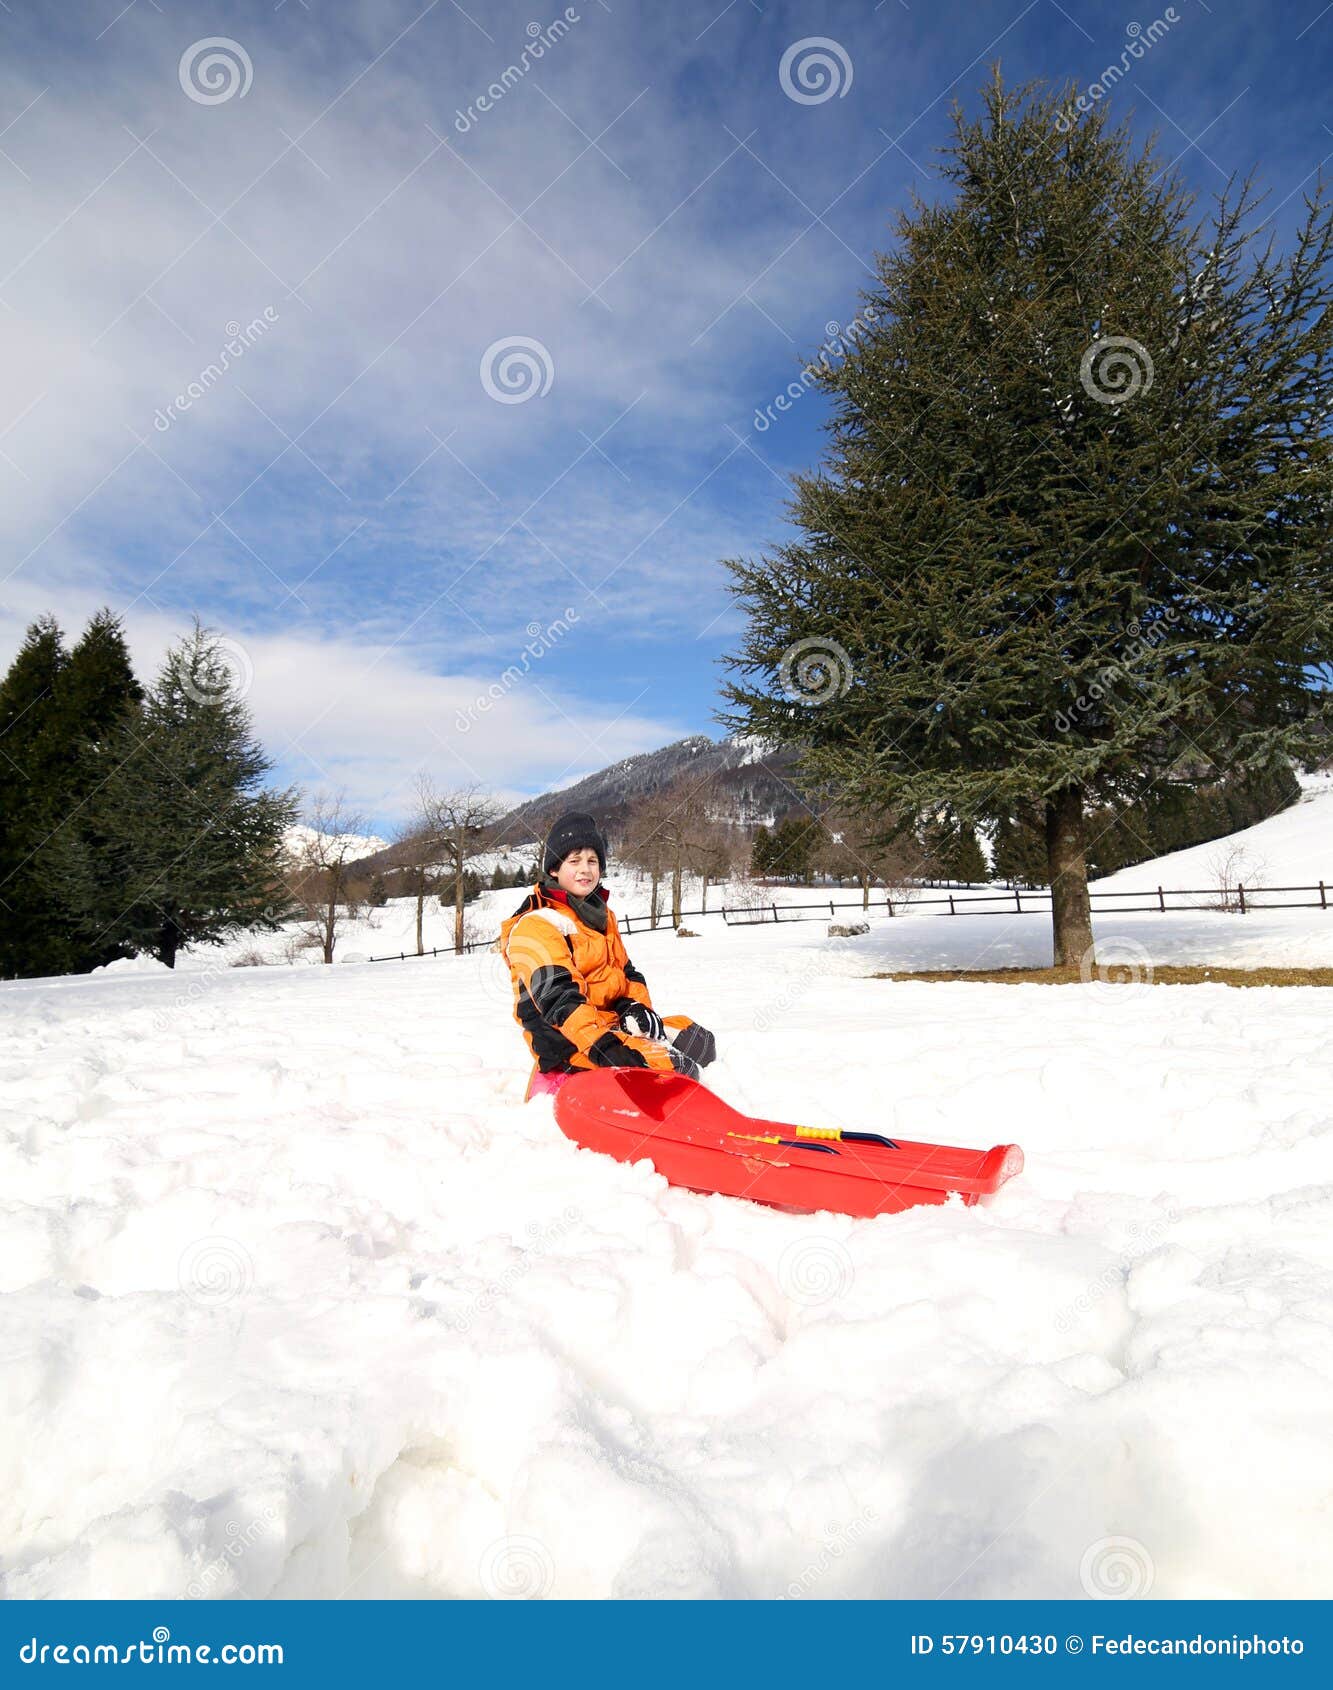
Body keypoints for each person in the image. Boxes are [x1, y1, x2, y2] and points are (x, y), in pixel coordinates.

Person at [500, 810, 717, 1096]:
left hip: (611, 1024)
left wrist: (635, 1008)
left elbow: (626, 972)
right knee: (676, 1071)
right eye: (574, 861)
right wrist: (604, 1048)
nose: (585, 869)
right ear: (554, 869)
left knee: (700, 1042)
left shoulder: (601, 915)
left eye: (592, 861)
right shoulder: (537, 924)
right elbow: (559, 1001)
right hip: (568, 1041)